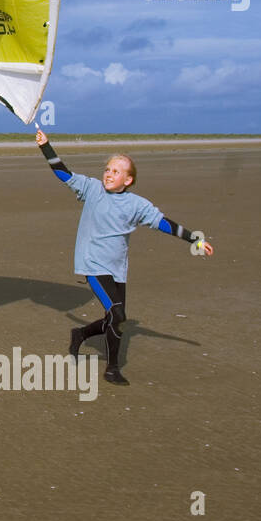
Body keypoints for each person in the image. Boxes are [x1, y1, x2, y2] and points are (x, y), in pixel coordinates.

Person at [36, 129, 212, 385]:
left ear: (128, 180)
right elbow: (63, 173)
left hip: (117, 268)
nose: (108, 174)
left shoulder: (137, 205)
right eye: (107, 169)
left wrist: (195, 239)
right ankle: (112, 368)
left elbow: (164, 224)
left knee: (117, 319)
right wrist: (46, 146)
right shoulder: (92, 189)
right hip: (93, 264)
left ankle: (81, 333)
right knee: (117, 315)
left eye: (116, 171)